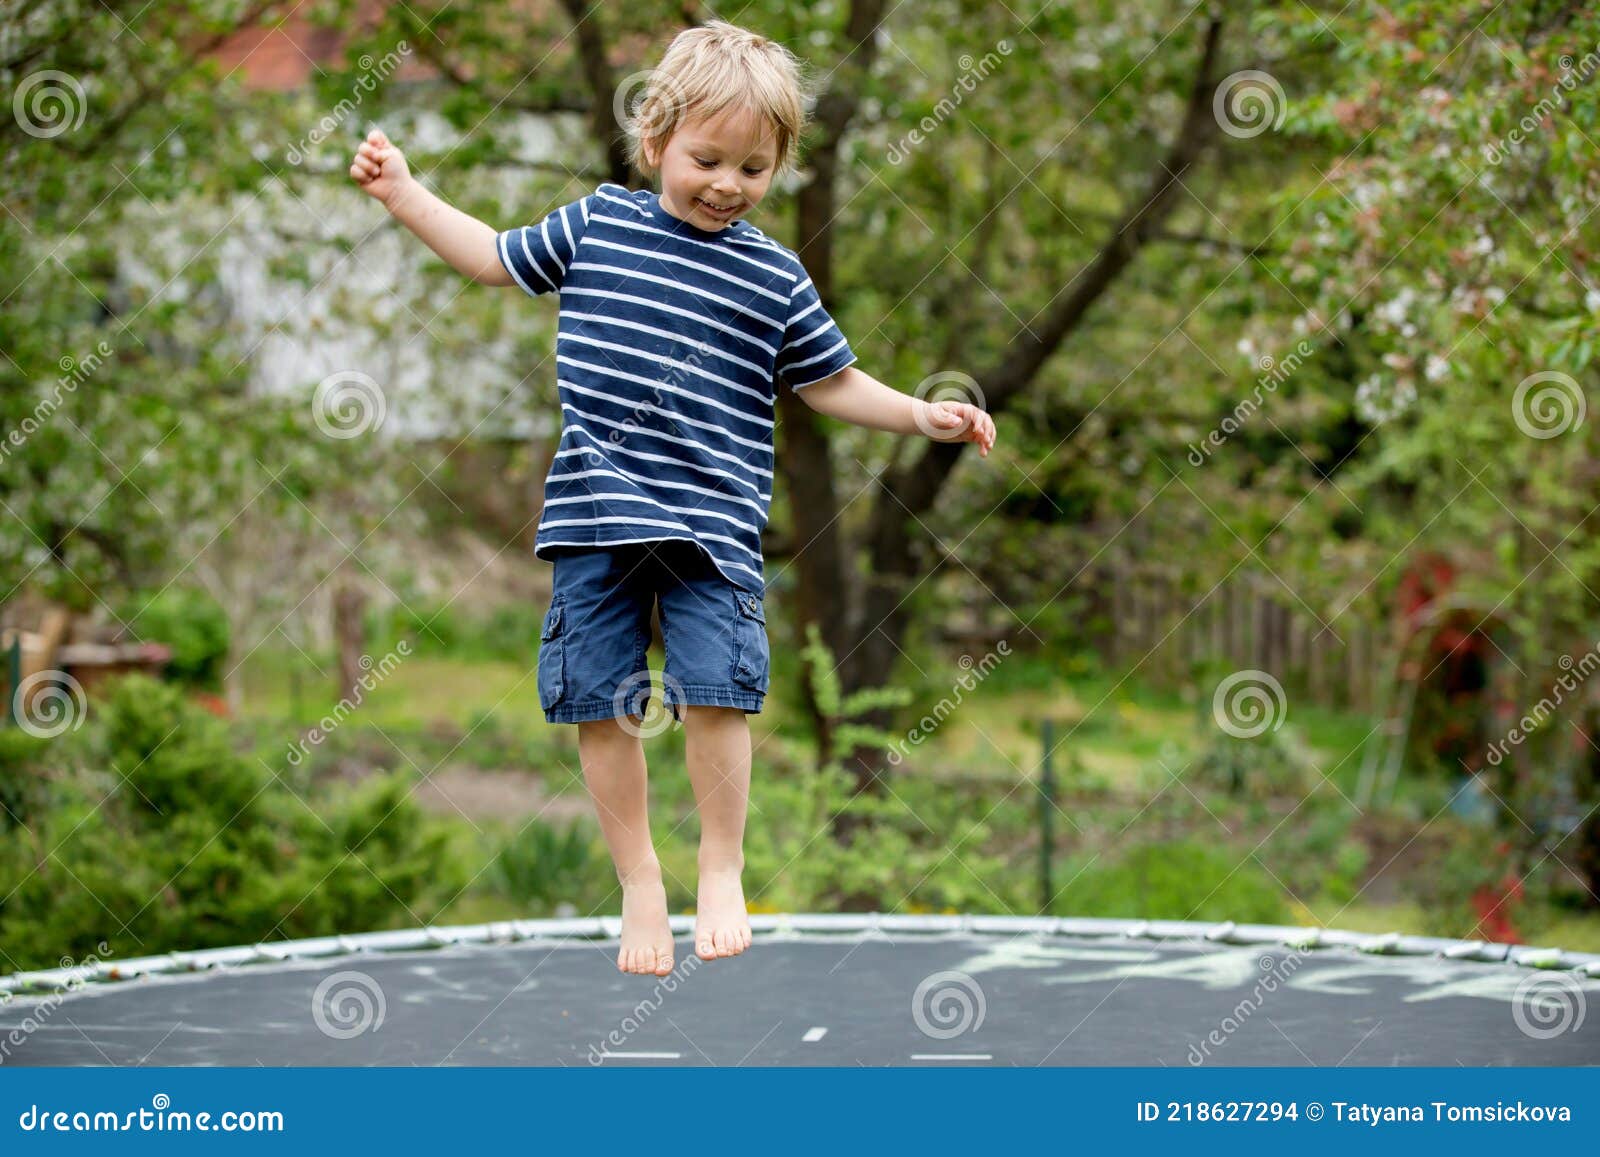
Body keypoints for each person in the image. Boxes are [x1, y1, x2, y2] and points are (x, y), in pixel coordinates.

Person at [350, 20, 996, 977]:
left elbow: (829, 381)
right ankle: (640, 878)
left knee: (716, 695)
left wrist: (920, 415)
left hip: (713, 526)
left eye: (754, 167)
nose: (727, 184)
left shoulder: (774, 275)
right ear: (654, 141)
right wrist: (405, 193)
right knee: (598, 707)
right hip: (597, 517)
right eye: (706, 159)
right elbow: (491, 256)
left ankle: (721, 862)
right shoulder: (597, 225)